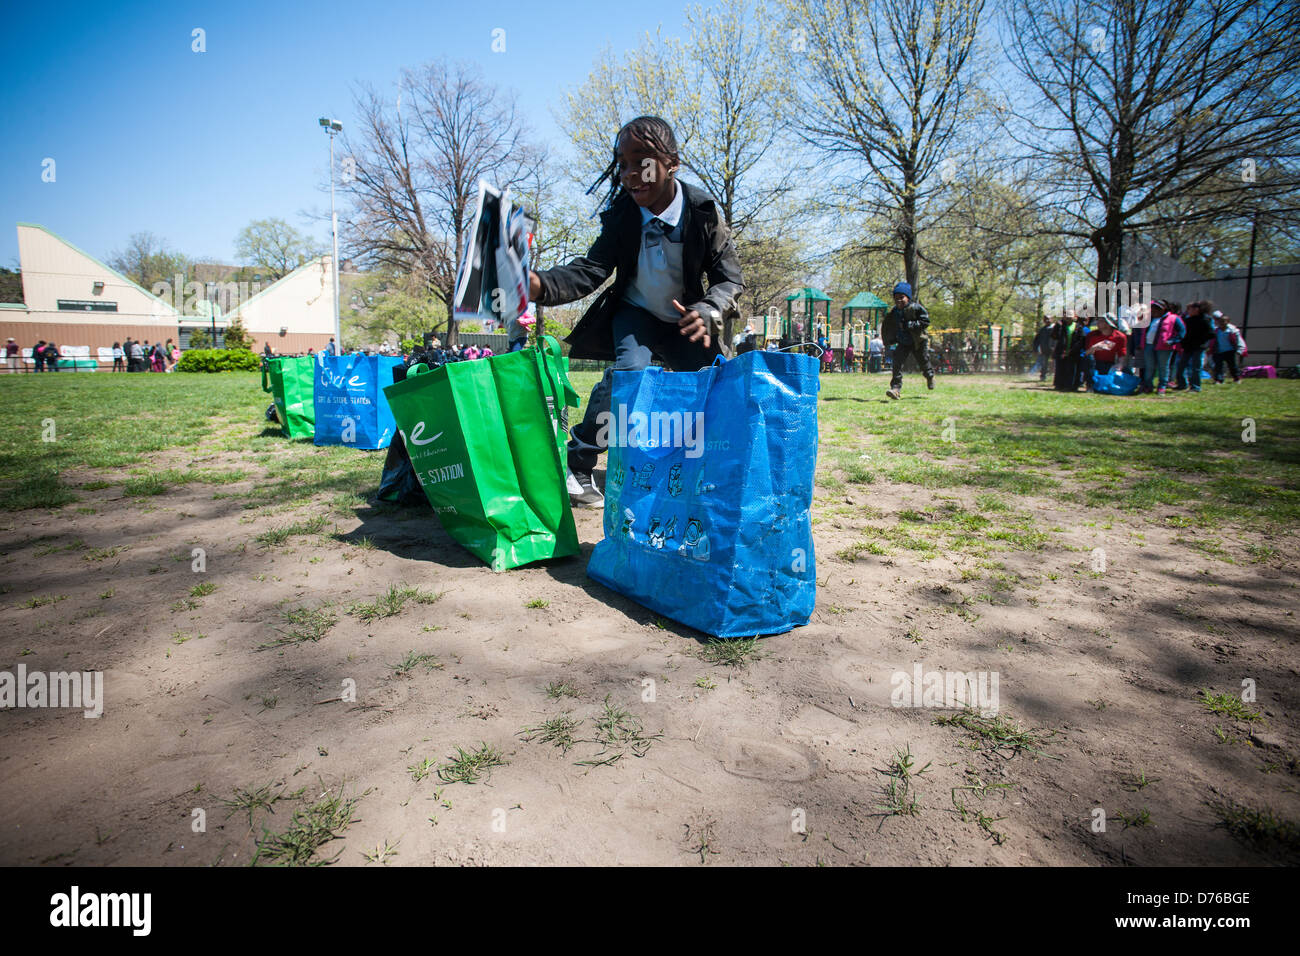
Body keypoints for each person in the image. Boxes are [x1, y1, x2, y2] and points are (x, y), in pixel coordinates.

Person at [527, 115, 743, 509]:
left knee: (720, 384)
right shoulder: (623, 214)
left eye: (640, 160)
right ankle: (579, 458)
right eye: (621, 163)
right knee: (631, 382)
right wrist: (536, 285)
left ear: (672, 162)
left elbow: (730, 279)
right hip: (637, 314)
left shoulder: (704, 211)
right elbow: (589, 271)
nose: (629, 173)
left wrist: (711, 307)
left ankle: (710, 468)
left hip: (687, 320)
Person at [881, 282, 933, 399]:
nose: (899, 301)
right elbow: (889, 326)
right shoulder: (894, 312)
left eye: (901, 298)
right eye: (896, 298)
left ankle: (929, 376)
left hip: (917, 341)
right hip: (903, 342)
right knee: (897, 365)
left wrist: (911, 325)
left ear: (908, 298)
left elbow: (925, 321)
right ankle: (896, 389)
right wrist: (890, 339)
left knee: (923, 361)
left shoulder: (916, 308)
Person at [1148, 300, 1185, 395]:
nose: (1155, 310)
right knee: (1149, 366)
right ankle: (1148, 386)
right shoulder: (1150, 318)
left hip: (1164, 347)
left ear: (1164, 309)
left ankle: (1162, 386)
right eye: (1153, 308)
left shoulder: (1173, 318)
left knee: (1163, 367)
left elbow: (1182, 331)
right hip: (1149, 345)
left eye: (1158, 308)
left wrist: (1172, 341)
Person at [1175, 300, 1213, 392]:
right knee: (1181, 366)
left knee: (1196, 367)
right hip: (1188, 347)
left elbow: (1211, 334)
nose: (1188, 310)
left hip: (1198, 347)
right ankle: (1182, 384)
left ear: (1196, 309)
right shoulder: (1187, 320)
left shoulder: (1205, 320)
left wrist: (1201, 342)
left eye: (1190, 309)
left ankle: (1195, 387)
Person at [1084, 313, 1126, 379]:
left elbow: (1122, 354)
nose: (1097, 322)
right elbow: (1085, 354)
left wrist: (1120, 365)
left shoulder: (1120, 337)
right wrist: (1094, 348)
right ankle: (1090, 384)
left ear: (1108, 324)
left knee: (1127, 373)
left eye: (1101, 321)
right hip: (1094, 363)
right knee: (1089, 360)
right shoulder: (1092, 335)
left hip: (1110, 363)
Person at [1210, 311, 1246, 384]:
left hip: (1230, 351)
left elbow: (1239, 340)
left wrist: (1240, 349)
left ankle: (1237, 378)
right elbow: (1211, 340)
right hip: (1219, 351)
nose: (1222, 323)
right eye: (1220, 322)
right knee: (1218, 366)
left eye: (1224, 321)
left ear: (1228, 322)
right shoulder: (1216, 331)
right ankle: (1219, 380)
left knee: (1232, 366)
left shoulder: (1232, 331)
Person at [1031, 316, 1055, 381]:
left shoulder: (1055, 328)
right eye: (1046, 319)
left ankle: (1056, 378)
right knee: (1044, 364)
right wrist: (1035, 349)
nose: (1047, 320)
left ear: (1052, 319)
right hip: (1044, 350)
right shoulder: (1042, 330)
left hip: (1054, 350)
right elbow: (1037, 340)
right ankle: (1043, 377)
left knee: (1055, 364)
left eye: (1049, 319)